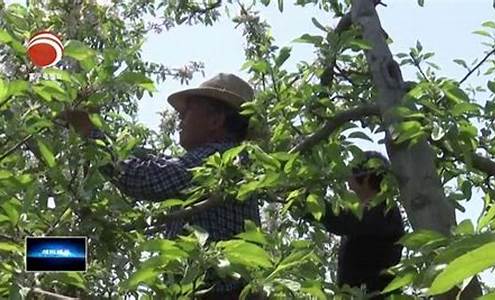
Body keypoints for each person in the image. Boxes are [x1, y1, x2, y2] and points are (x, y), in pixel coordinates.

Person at [62, 73, 262, 299]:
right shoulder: (225, 160)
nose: (180, 119)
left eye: (187, 112)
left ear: (216, 120)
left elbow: (146, 179)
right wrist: (100, 133)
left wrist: (90, 133)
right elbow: (157, 162)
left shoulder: (218, 158)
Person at [304, 151, 404, 299]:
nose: (347, 179)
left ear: (367, 176)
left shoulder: (383, 210)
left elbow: (339, 221)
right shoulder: (372, 211)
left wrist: (307, 198)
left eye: (351, 173)